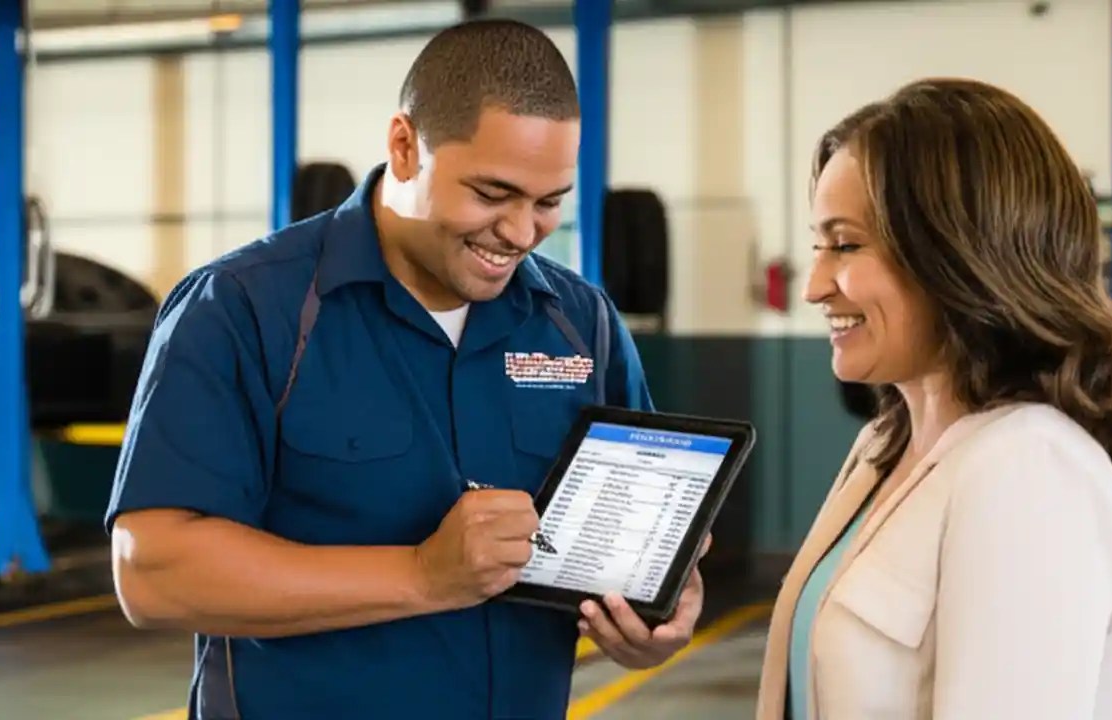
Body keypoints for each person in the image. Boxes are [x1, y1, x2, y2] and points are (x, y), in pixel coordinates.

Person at [106, 19, 705, 720]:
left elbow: (642, 540)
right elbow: (152, 572)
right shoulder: (243, 310)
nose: (519, 233)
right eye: (491, 193)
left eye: (548, 203)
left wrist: (652, 617)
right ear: (403, 146)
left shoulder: (582, 324)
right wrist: (422, 575)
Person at [755, 78, 1112, 719]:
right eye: (818, 243)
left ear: (960, 256)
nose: (816, 285)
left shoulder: (1027, 470)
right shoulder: (886, 444)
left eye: (847, 244)